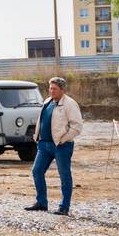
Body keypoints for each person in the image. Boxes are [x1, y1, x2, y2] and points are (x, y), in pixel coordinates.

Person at [26, 76, 83, 216]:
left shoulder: (70, 104)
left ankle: (64, 207)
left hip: (61, 146)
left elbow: (77, 126)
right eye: (50, 88)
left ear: (62, 90)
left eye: (54, 89)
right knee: (37, 171)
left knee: (64, 176)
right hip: (44, 145)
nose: (51, 91)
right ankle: (41, 203)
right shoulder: (47, 101)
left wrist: (64, 139)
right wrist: (37, 137)